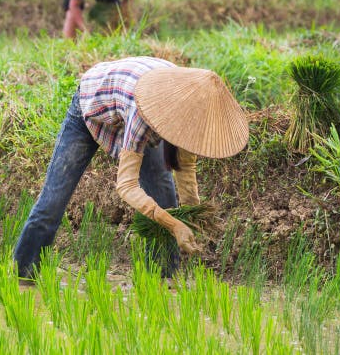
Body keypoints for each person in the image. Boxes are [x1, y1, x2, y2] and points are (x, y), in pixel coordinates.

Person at [13, 56, 248, 278]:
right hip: (91, 107)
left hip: (131, 104)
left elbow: (185, 168)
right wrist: (174, 225)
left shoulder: (186, 110)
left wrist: (192, 217)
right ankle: (23, 277)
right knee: (53, 200)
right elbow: (126, 186)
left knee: (165, 197)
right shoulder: (142, 111)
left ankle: (161, 280)